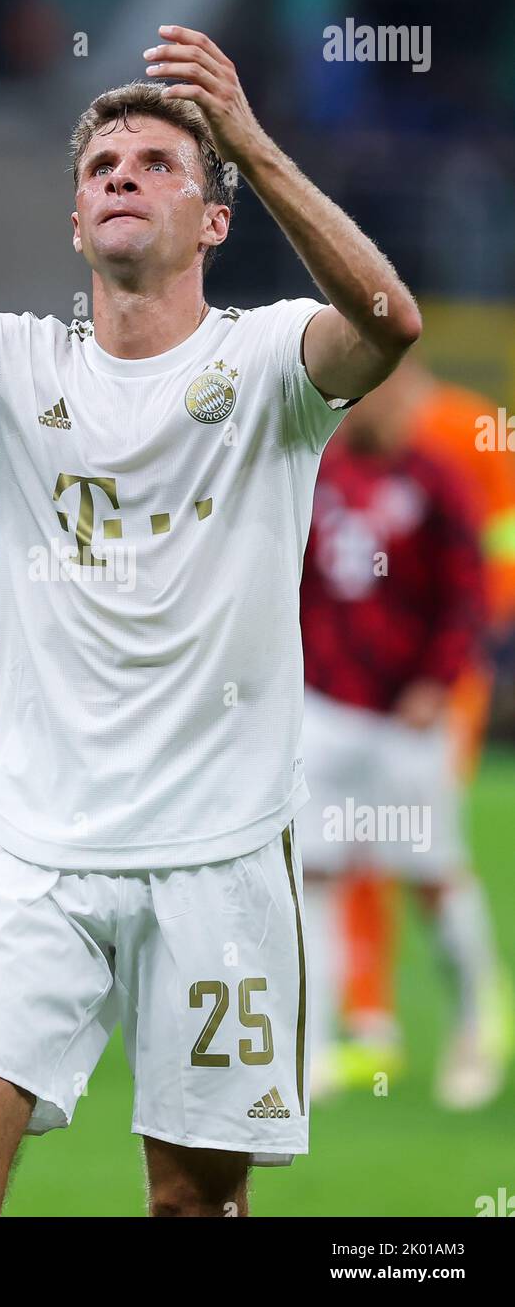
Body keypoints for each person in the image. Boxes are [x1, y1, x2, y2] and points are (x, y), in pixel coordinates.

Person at [0, 0, 421, 1217]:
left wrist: (254, 137)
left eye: (159, 162)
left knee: (189, 1204)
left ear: (212, 216)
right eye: (102, 165)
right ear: (75, 217)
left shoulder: (266, 363)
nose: (123, 176)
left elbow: (388, 322)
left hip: (216, 862)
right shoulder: (12, 364)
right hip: (31, 857)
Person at [295, 371, 510, 1108]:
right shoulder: (315, 473)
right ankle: (312, 1048)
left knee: (432, 877)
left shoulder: (440, 482)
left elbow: (468, 596)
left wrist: (439, 681)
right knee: (312, 875)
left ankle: (477, 1030)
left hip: (408, 717)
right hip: (322, 708)